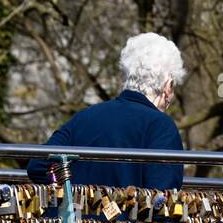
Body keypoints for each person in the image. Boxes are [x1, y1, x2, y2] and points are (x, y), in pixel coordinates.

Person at [27, 33, 185, 189]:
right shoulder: (161, 126)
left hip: (74, 213)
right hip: (128, 215)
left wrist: (68, 188)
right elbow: (163, 202)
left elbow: (38, 166)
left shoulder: (86, 116)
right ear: (168, 86)